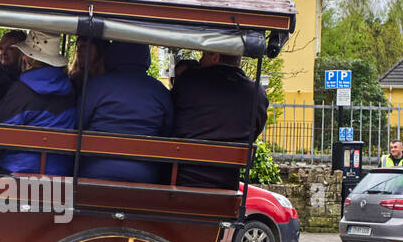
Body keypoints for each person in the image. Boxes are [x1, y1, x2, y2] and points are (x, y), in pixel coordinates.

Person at [170, 51, 269, 189]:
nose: (200, 60)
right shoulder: (257, 93)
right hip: (227, 188)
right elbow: (253, 132)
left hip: (181, 184)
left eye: (203, 55)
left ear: (215, 57)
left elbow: (170, 120)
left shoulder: (188, 81)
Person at [79, 40, 173, 183]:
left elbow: (79, 123)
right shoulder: (160, 91)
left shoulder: (95, 86)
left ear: (112, 55)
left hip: (94, 171)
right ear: (146, 57)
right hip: (145, 175)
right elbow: (168, 130)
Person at [0, 30, 76, 176]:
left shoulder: (23, 90)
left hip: (17, 171)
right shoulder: (70, 90)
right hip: (61, 173)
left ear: (26, 59)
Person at [0, 30, 27, 114]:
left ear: (21, 52)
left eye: (10, 49)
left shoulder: (28, 80)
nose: (3, 53)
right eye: (1, 48)